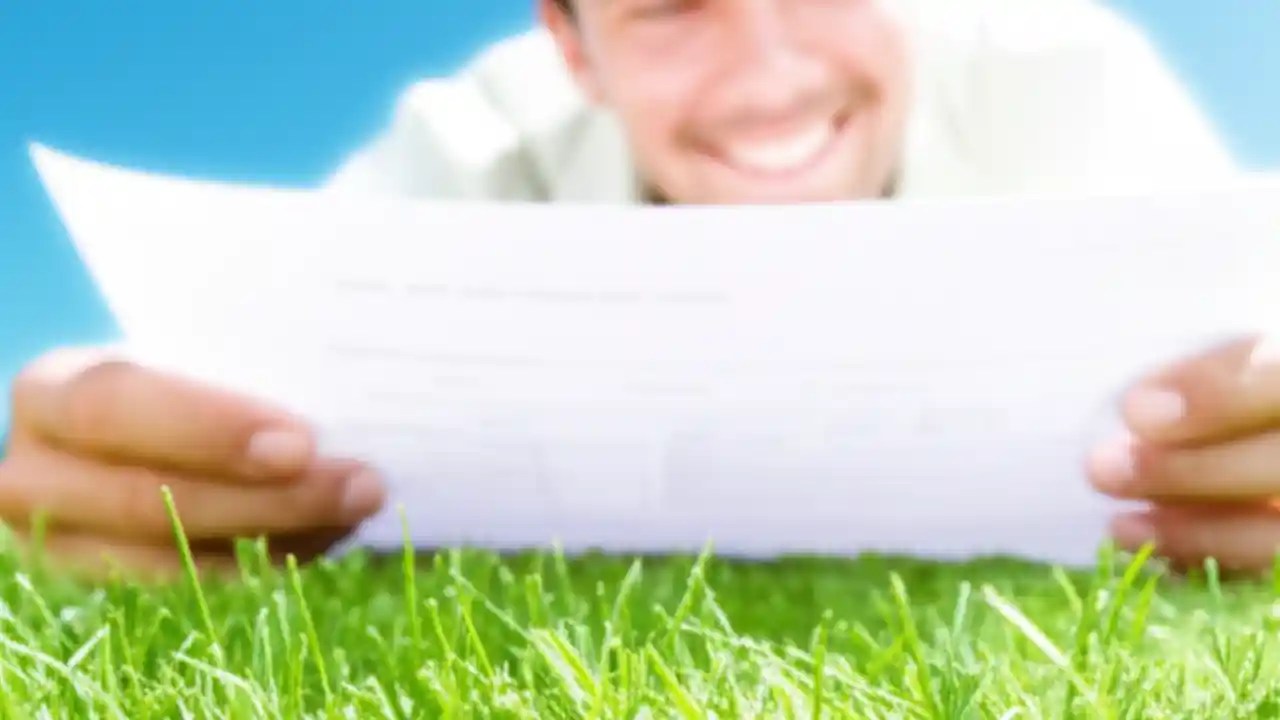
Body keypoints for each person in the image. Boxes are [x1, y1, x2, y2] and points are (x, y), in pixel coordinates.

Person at [3, 0, 1275, 579]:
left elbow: (1247, 356)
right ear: (573, 49)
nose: (768, 71)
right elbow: (216, 400)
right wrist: (129, 449)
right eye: (671, 7)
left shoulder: (1070, 82)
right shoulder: (467, 149)